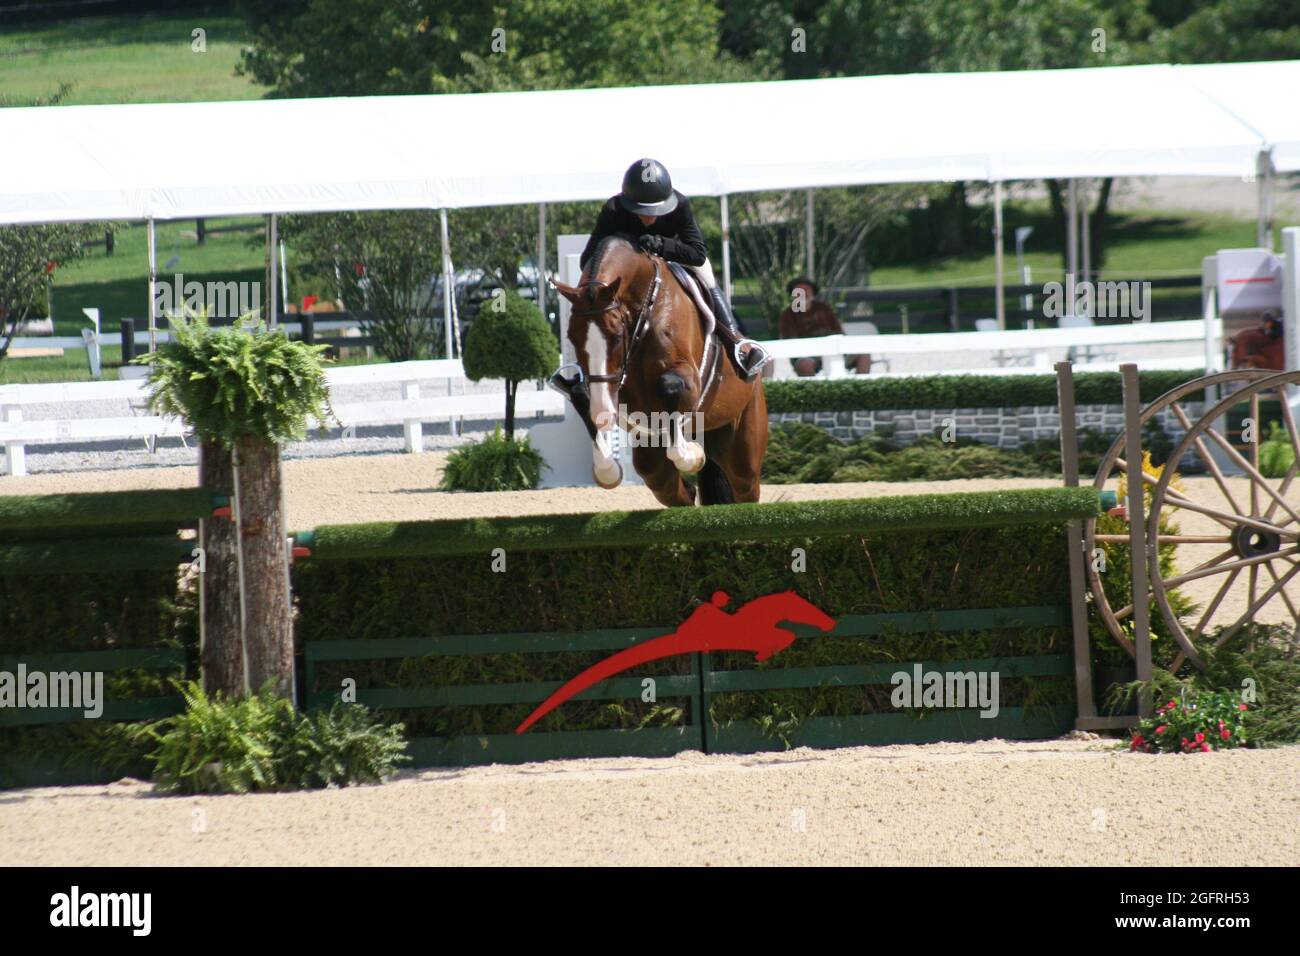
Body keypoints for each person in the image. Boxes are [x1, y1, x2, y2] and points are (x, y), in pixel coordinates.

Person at [580, 158, 771, 381]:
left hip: (674, 261)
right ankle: (579, 369)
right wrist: (628, 244)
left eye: (655, 210)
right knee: (591, 289)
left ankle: (737, 343)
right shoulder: (614, 209)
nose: (649, 216)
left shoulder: (679, 205)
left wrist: (662, 244)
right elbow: (588, 259)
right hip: (629, 275)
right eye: (641, 210)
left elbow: (697, 254)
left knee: (707, 274)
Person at [778, 276, 870, 376]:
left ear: (813, 292)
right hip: (806, 355)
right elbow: (791, 341)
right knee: (805, 365)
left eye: (807, 290)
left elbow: (838, 331)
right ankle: (815, 391)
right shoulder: (788, 315)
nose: (804, 293)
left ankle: (857, 390)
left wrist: (832, 347)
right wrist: (816, 350)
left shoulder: (823, 308)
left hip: (833, 351)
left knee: (863, 356)